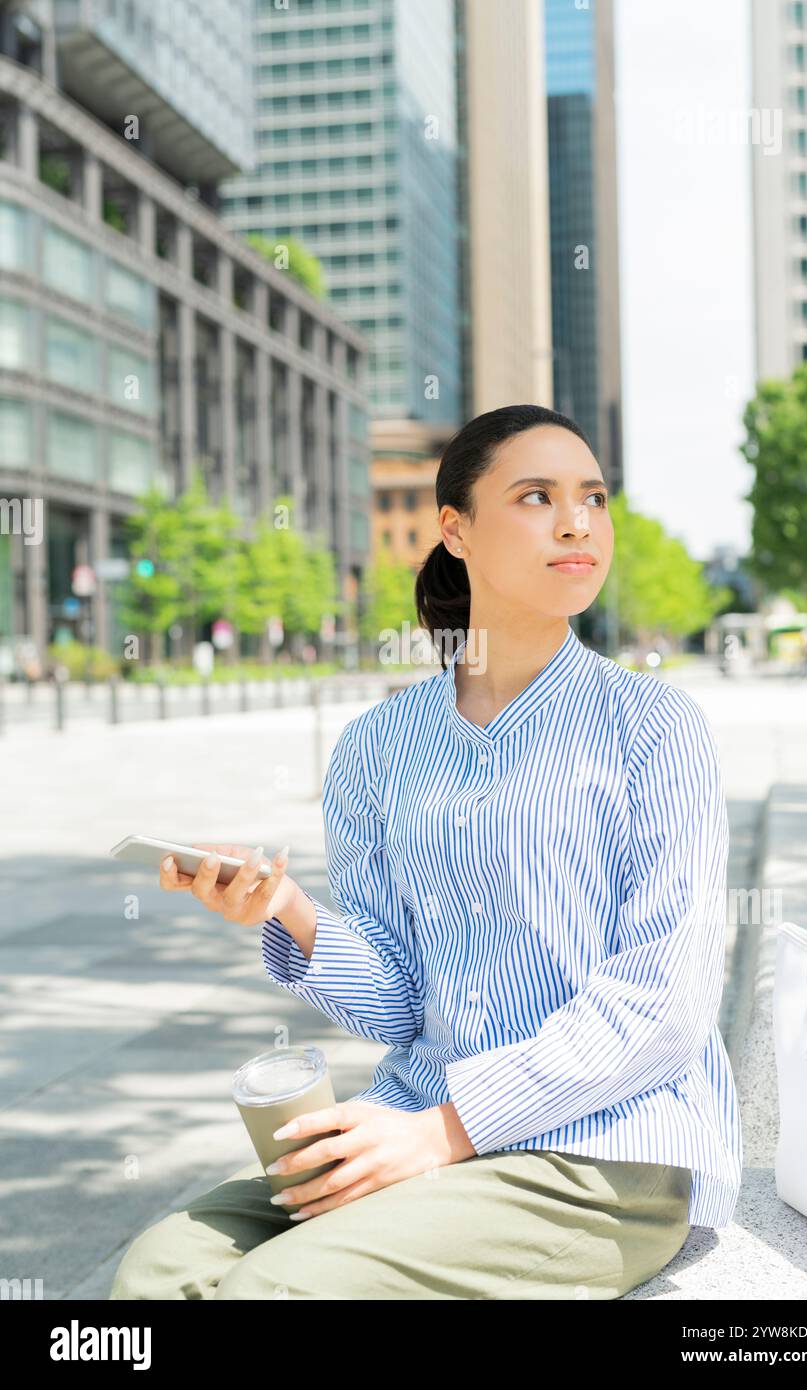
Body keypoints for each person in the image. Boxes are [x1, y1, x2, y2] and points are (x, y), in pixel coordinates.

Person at [110, 404, 742, 1301]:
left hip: (602, 1159)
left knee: (271, 1292)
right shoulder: (378, 747)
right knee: (158, 1269)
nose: (577, 524)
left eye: (593, 499)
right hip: (418, 1122)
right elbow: (401, 1003)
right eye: (536, 496)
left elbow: (663, 1008)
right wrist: (287, 910)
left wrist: (446, 1130)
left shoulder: (652, 728)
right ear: (456, 529)